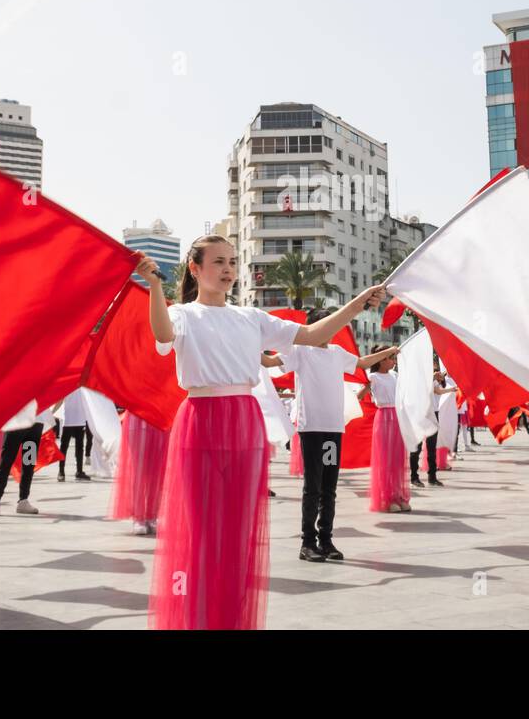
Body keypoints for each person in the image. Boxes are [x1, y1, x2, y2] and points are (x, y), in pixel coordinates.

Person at [138, 236, 385, 630]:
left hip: (243, 418)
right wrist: (154, 286)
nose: (228, 270)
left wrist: (357, 303)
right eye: (218, 262)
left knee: (238, 529)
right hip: (200, 417)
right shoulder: (183, 313)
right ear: (195, 268)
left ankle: (227, 616)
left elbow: (312, 335)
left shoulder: (251, 318)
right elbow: (164, 335)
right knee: (200, 525)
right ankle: (195, 614)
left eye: (233, 262)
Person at [278, 317, 396, 562]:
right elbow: (271, 361)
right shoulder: (301, 351)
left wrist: (389, 351)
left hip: (333, 429)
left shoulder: (337, 353)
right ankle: (308, 543)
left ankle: (326, 539)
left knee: (329, 487)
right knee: (313, 486)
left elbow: (362, 362)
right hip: (311, 429)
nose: (330, 331)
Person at [361, 348, 410, 513]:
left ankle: (398, 495)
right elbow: (360, 395)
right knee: (385, 459)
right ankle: (385, 497)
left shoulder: (395, 376)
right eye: (390, 358)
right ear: (381, 360)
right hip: (383, 417)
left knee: (397, 458)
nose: (393, 361)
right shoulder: (372, 377)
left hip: (398, 418)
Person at [0, 402, 50, 517]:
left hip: (36, 421)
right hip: (17, 420)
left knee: (28, 463)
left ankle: (23, 500)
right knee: (6, 462)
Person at [110, 410, 171, 535]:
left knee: (157, 472)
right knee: (138, 470)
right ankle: (138, 517)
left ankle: (152, 515)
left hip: (160, 417)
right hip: (137, 419)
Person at [57, 390, 90, 482]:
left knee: (79, 447)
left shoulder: (84, 387)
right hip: (68, 420)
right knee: (64, 447)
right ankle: (61, 472)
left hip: (80, 420)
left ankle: (79, 472)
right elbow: (60, 399)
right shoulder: (68, 383)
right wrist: (52, 413)